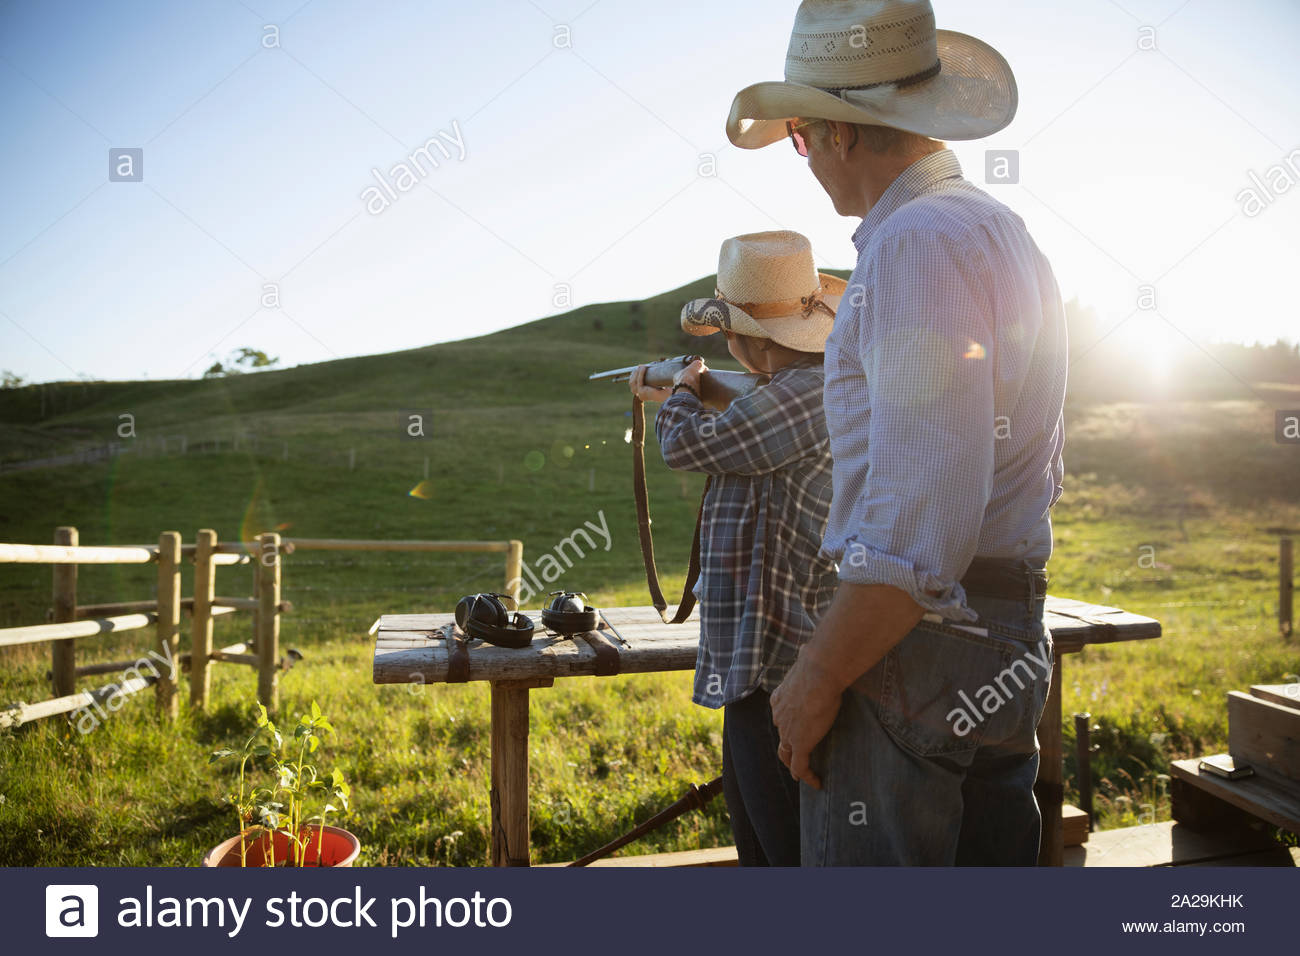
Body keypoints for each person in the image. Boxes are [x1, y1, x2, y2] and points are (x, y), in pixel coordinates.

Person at [726, 0, 1068, 865]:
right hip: (1001, 627)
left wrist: (818, 675)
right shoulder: (998, 229)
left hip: (916, 647)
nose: (804, 160)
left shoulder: (912, 245)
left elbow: (920, 523)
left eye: (801, 136)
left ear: (844, 133)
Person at [628, 230, 842, 866]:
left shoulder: (809, 392)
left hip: (780, 662)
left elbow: (687, 446)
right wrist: (698, 387)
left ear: (747, 338)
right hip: (755, 660)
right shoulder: (791, 388)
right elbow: (752, 403)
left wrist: (683, 390)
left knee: (787, 856)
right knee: (761, 851)